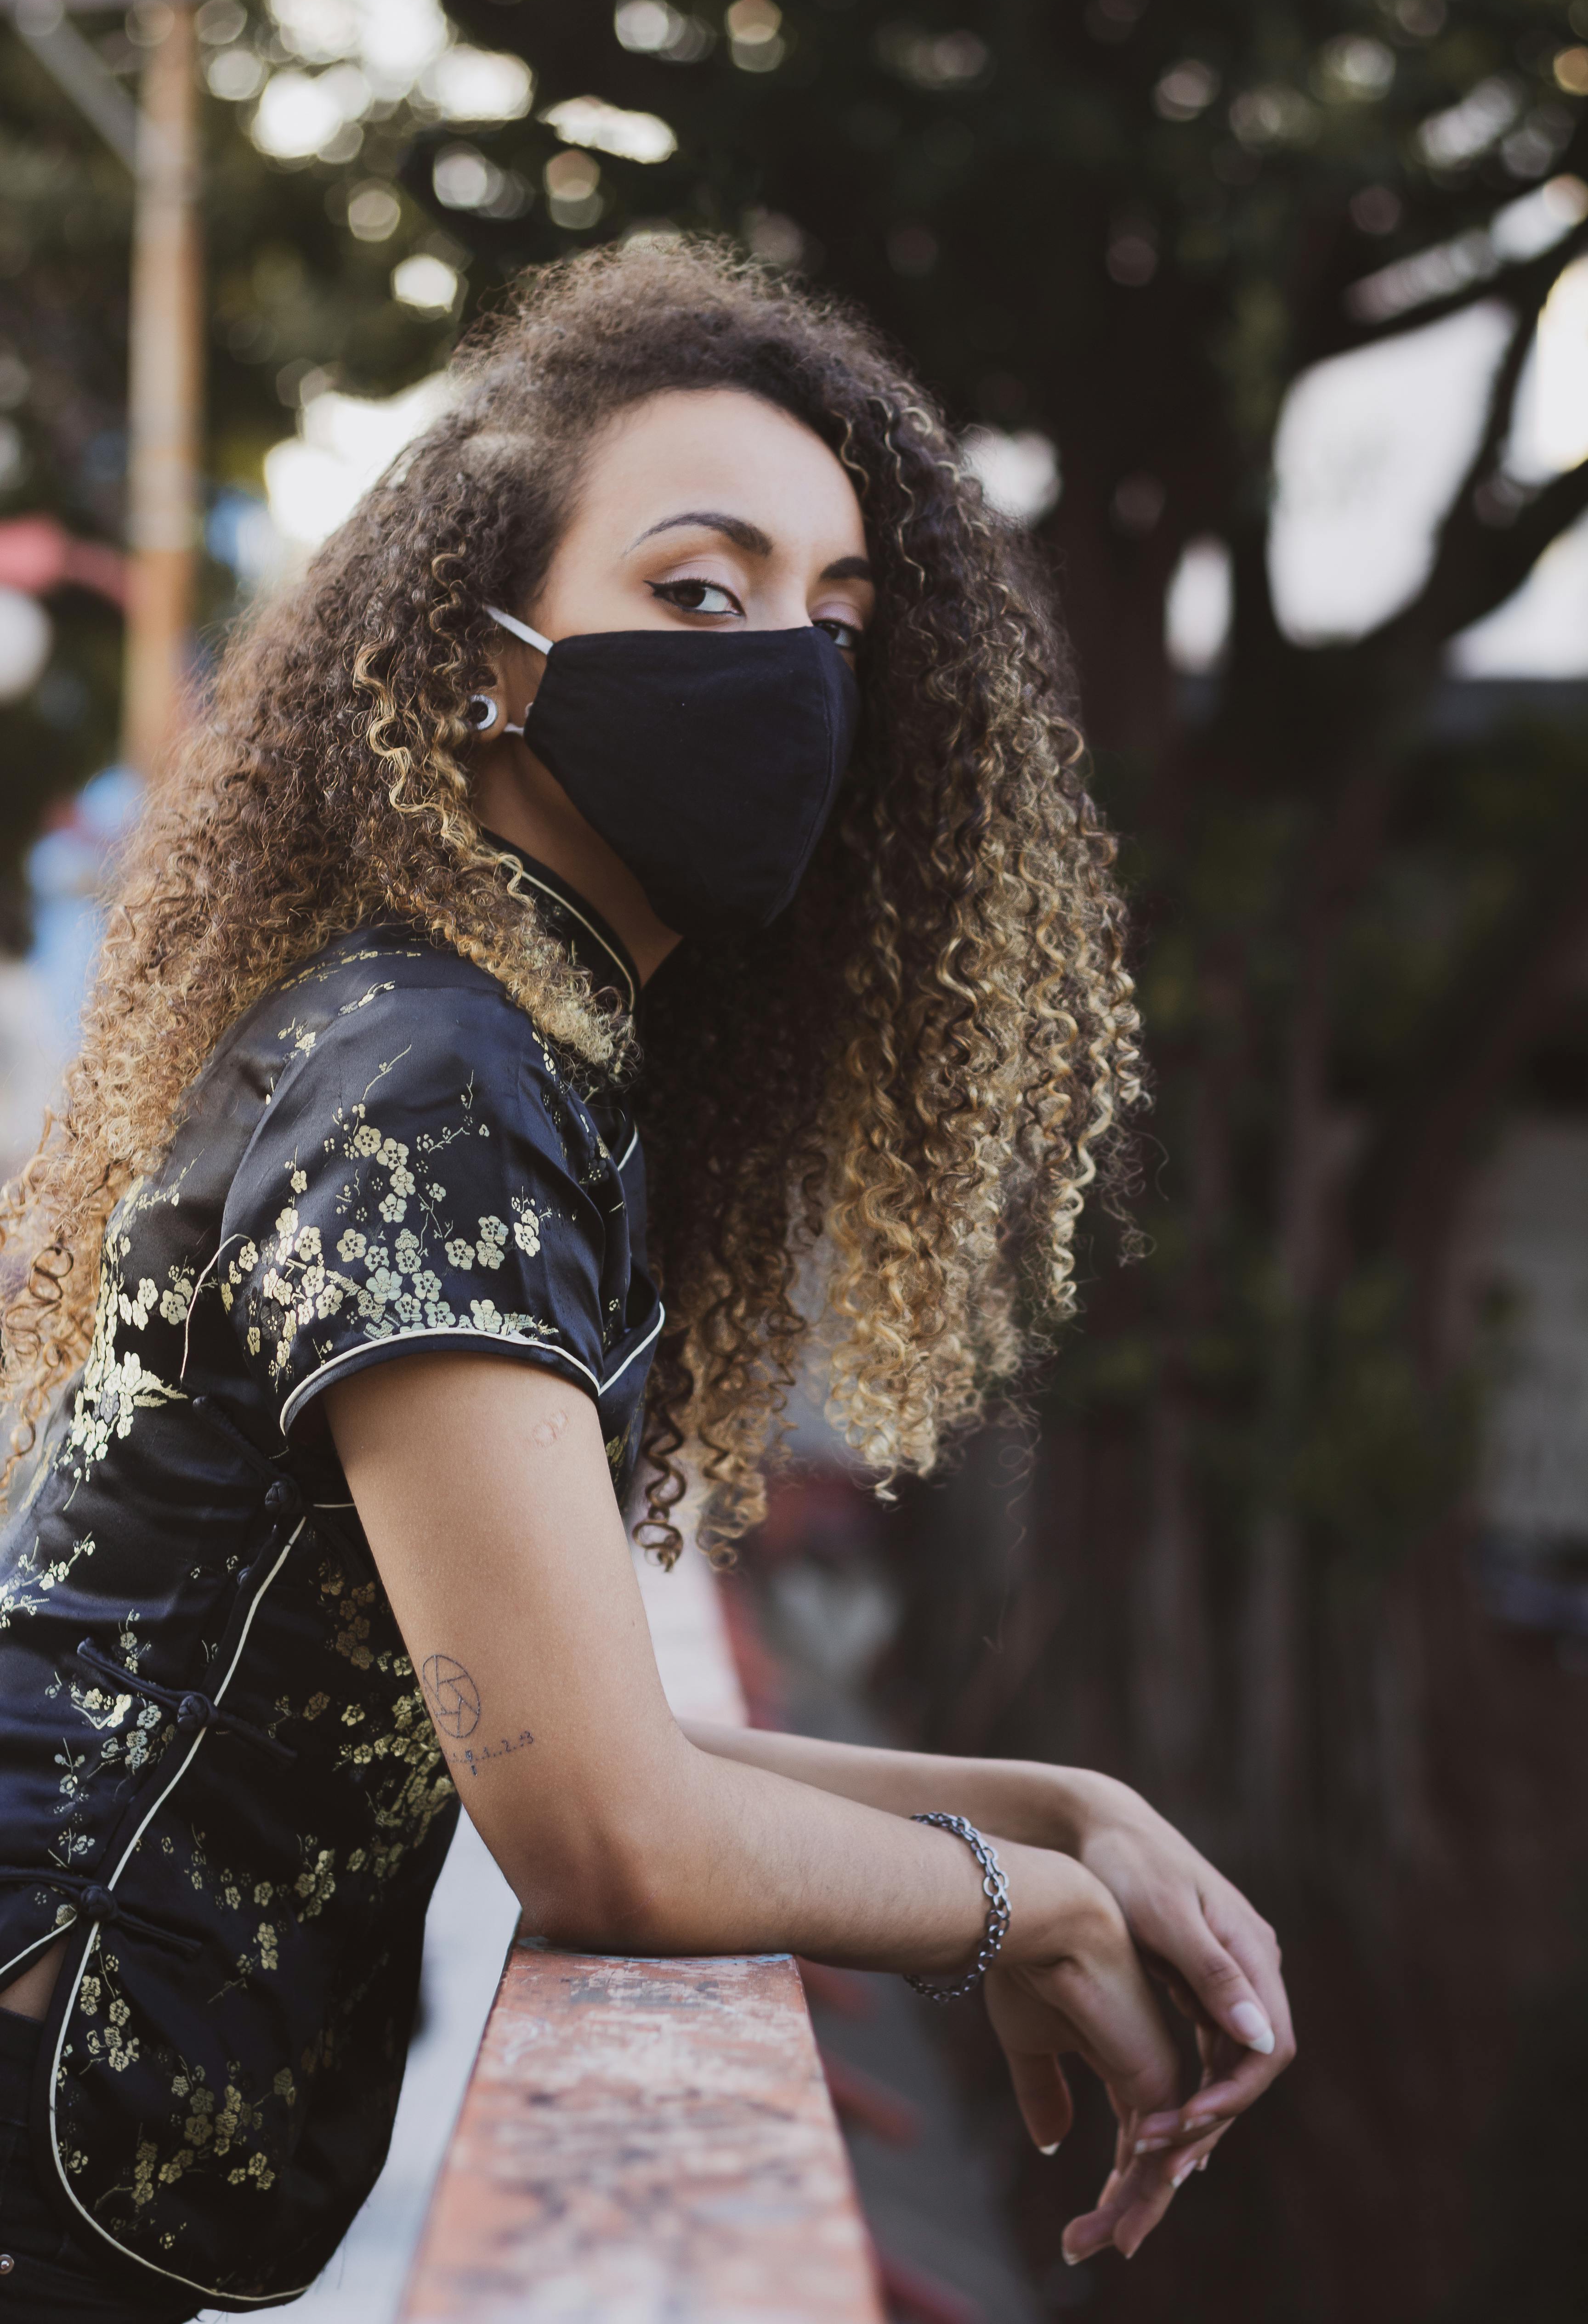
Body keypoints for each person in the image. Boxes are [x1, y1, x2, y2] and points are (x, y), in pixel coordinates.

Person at [0, 241, 1293, 2319]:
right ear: (482, 657)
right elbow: (601, 1827)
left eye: (839, 625)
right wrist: (1013, 1909)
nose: (785, 668)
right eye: (701, 593)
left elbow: (573, 1726)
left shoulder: (518, 1045)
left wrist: (1055, 1809)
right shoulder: (440, 1073)